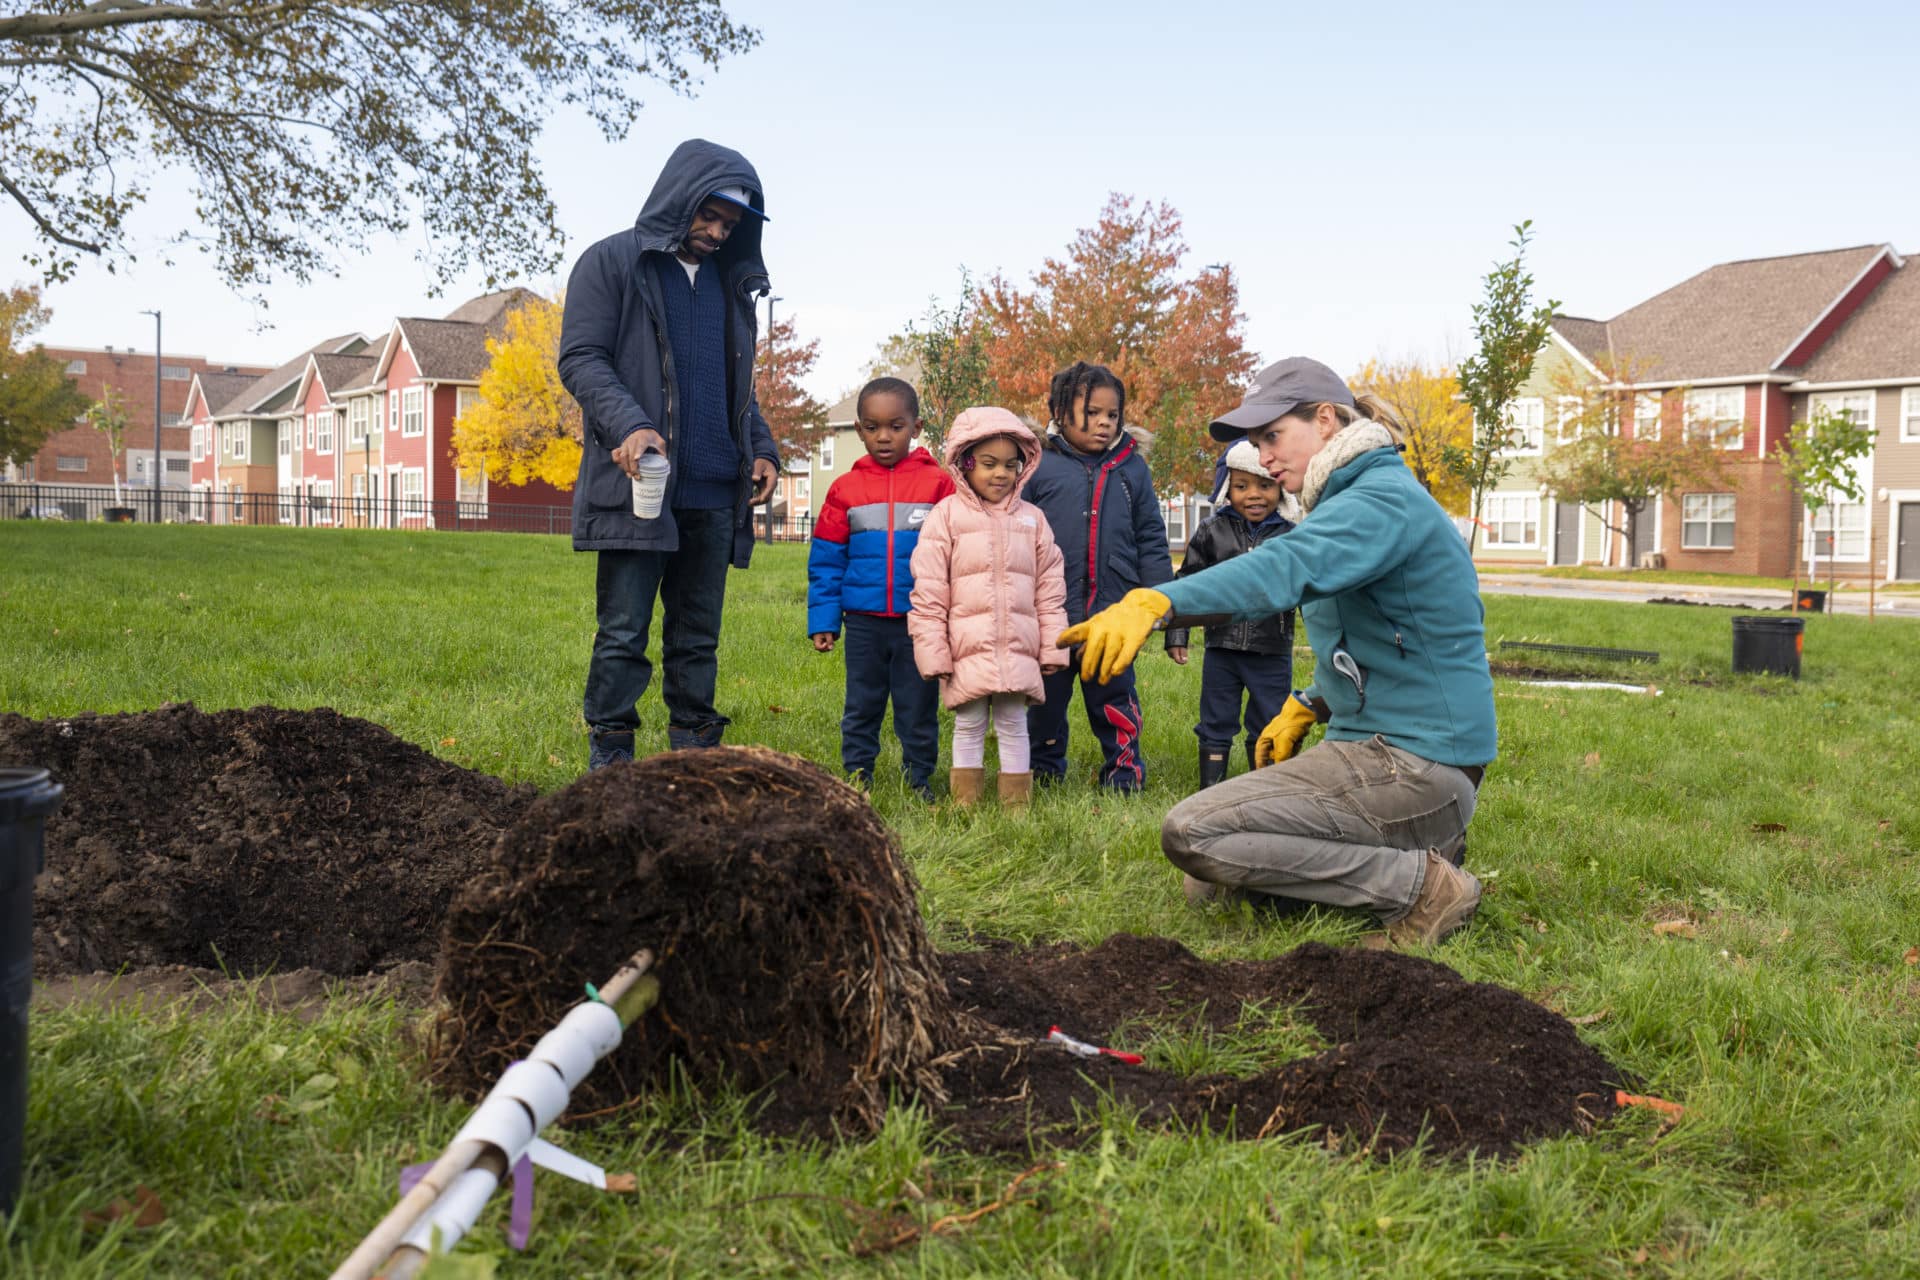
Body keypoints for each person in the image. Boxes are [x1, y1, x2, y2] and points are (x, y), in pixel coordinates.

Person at [1057, 357, 1495, 946]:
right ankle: (1410, 847)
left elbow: (1283, 568)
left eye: (1272, 437)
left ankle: (1423, 886)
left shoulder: (1381, 500)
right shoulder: (1352, 500)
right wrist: (1313, 701)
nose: (1262, 457)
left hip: (1418, 767)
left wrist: (1159, 602)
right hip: (1388, 755)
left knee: (1193, 832)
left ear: (1325, 420)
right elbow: (1392, 633)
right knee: (1211, 881)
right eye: (1257, 442)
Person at [558, 139, 781, 769]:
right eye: (709, 216)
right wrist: (631, 423)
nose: (718, 232)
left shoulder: (729, 284)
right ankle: (612, 758)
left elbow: (735, 387)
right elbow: (581, 358)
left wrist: (762, 447)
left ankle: (695, 758)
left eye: (730, 224)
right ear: (680, 199)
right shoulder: (612, 263)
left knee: (697, 638)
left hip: (713, 489)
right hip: (643, 485)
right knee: (623, 633)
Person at [1023, 361, 1174, 792]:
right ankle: (1043, 771)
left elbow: (1151, 539)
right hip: (1050, 613)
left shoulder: (1132, 468)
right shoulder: (1037, 465)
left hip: (1112, 613)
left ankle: (1124, 773)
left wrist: (1167, 614)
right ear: (1059, 411)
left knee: (1115, 697)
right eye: (1091, 412)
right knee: (1045, 701)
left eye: (1112, 414)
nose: (1104, 423)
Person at [907, 407, 1068, 808]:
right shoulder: (946, 517)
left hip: (1017, 648)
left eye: (1011, 465)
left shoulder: (1033, 520)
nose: (1001, 474)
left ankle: (1016, 806)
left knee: (1014, 724)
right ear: (965, 464)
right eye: (989, 463)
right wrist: (933, 651)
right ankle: (966, 804)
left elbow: (1050, 590)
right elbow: (929, 591)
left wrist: (1053, 646)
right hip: (966, 648)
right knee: (969, 723)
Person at [807, 377, 955, 802]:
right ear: (859, 430)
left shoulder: (939, 485)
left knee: (918, 707)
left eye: (896, 426)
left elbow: (956, 556)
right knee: (862, 705)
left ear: (916, 427)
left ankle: (919, 779)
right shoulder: (845, 489)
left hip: (920, 623)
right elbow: (827, 560)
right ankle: (857, 776)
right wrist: (824, 620)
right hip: (863, 624)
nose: (884, 436)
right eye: (872, 428)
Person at [1165, 440, 1301, 790]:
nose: (1253, 495)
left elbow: (1310, 589)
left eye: (1265, 485)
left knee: (1270, 719)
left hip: (1272, 651)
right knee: (1216, 718)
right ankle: (1211, 789)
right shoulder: (1213, 530)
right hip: (1222, 648)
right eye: (1241, 486)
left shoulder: (1292, 536)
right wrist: (1177, 632)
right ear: (1227, 488)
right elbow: (1189, 581)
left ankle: (1265, 788)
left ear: (1280, 487)